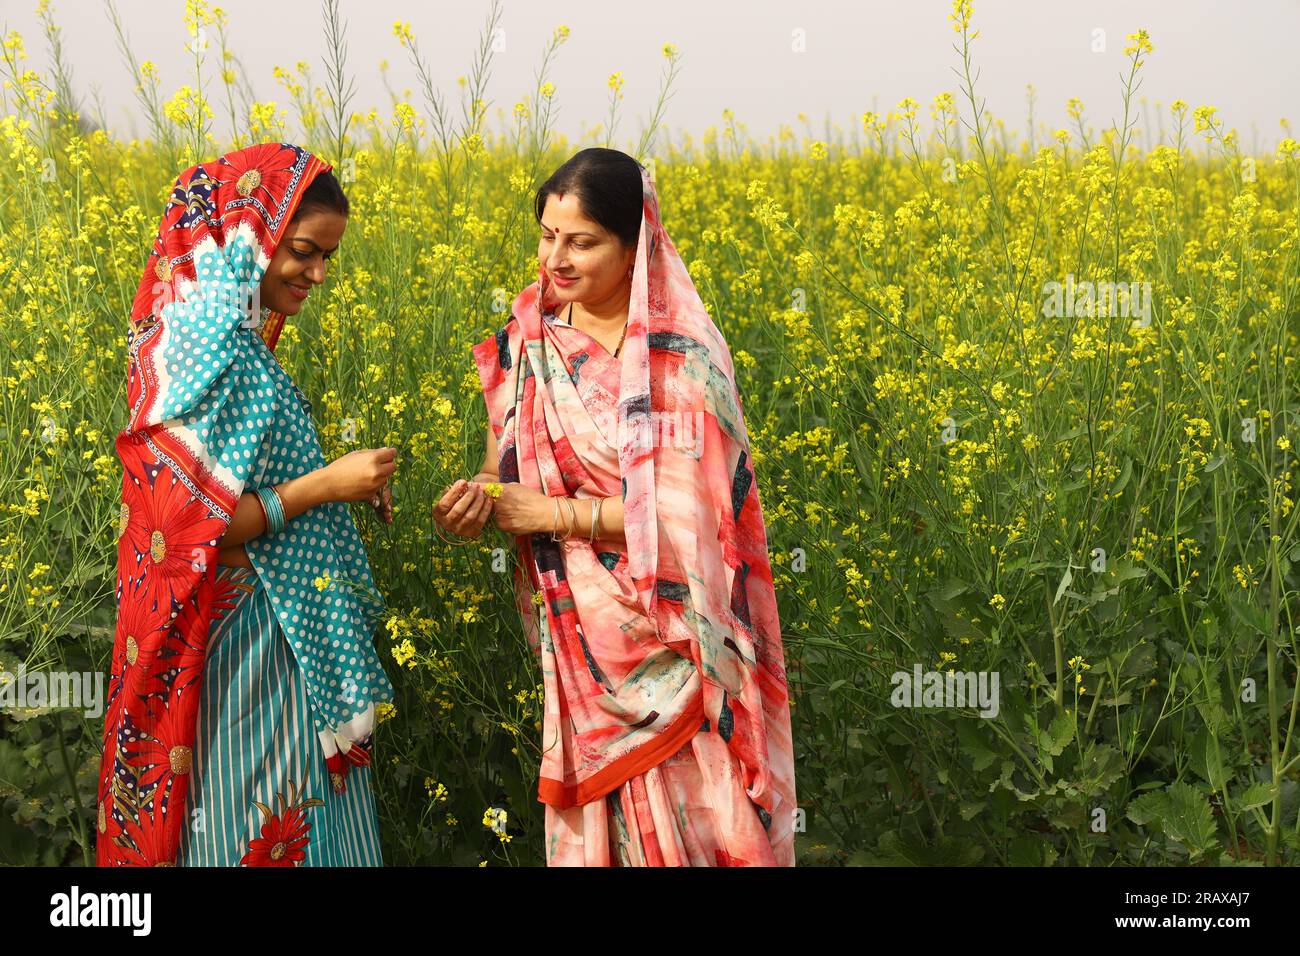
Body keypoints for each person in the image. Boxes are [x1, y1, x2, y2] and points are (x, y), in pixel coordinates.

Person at [435, 147, 797, 865]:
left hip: (675, 646)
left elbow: (690, 521)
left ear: (637, 246)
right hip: (582, 651)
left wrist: (555, 517)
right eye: (547, 235)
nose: (556, 258)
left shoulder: (679, 358)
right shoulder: (526, 343)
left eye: (582, 241)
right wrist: (481, 498)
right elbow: (507, 464)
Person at [97, 142, 397, 866]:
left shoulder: (225, 338)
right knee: (256, 826)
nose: (317, 275)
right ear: (248, 236)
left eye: (328, 257)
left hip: (266, 633)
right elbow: (198, 529)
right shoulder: (216, 348)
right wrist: (327, 487)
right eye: (303, 251)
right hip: (252, 644)